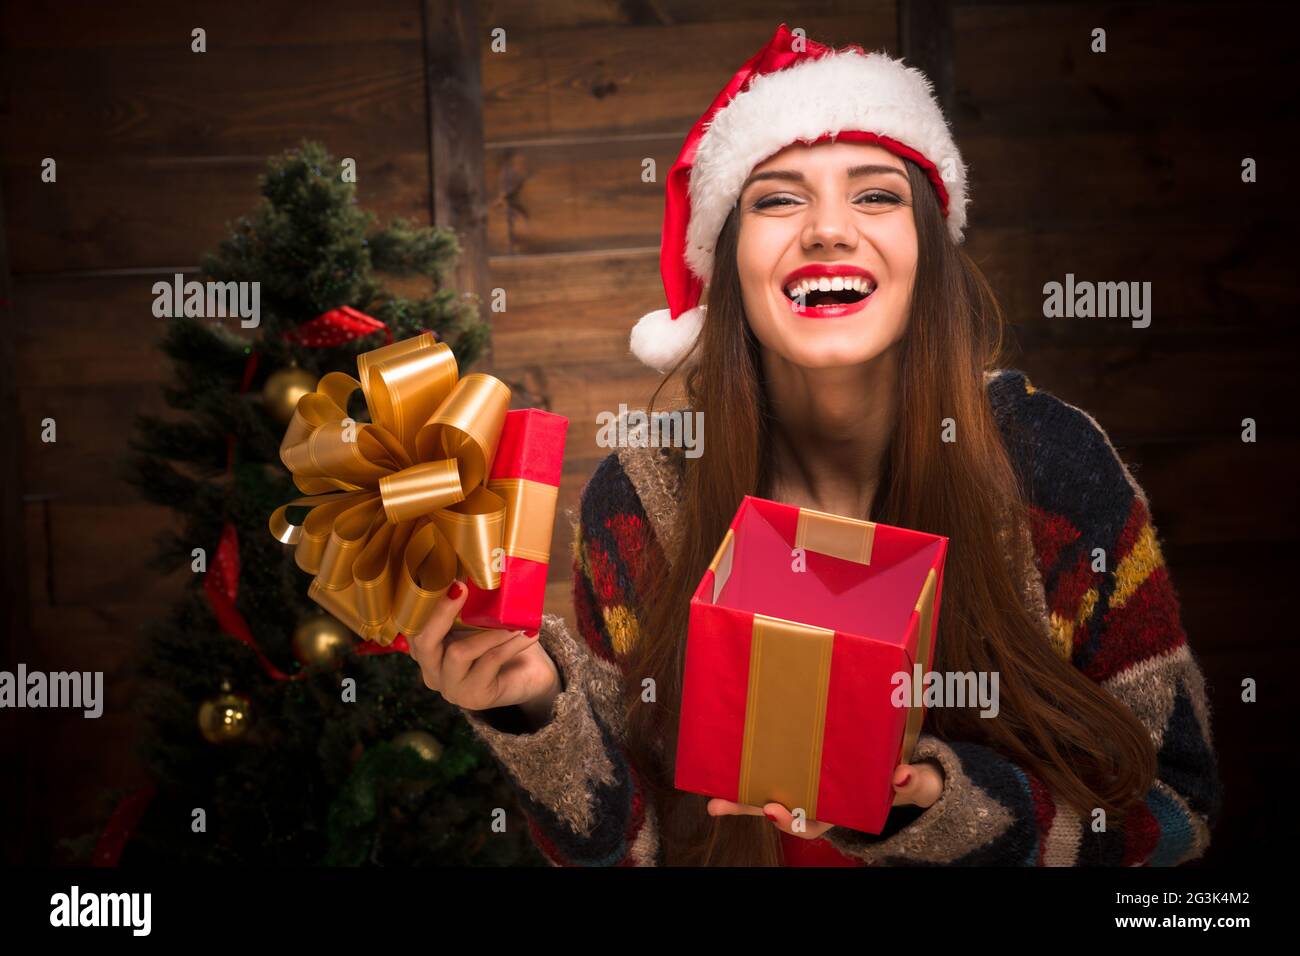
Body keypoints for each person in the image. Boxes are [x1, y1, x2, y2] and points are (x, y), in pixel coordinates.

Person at [408, 23, 1221, 866]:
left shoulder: (1052, 464)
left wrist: (937, 812)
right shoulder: (644, 499)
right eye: (778, 197)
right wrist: (534, 707)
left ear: (927, 254)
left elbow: (1176, 820)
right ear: (725, 264)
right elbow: (638, 848)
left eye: (876, 195)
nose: (830, 229)